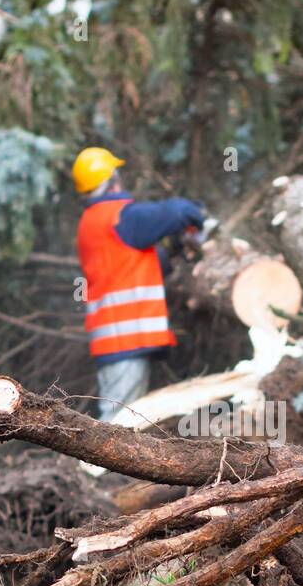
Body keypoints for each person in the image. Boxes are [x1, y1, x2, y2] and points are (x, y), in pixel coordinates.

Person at [73, 147, 205, 421]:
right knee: (118, 429)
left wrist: (177, 248)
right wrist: (199, 214)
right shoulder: (120, 216)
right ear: (112, 181)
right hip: (124, 341)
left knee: (122, 423)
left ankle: (100, 465)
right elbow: (177, 212)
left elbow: (138, 264)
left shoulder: (92, 223)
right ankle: (94, 467)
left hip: (113, 342)